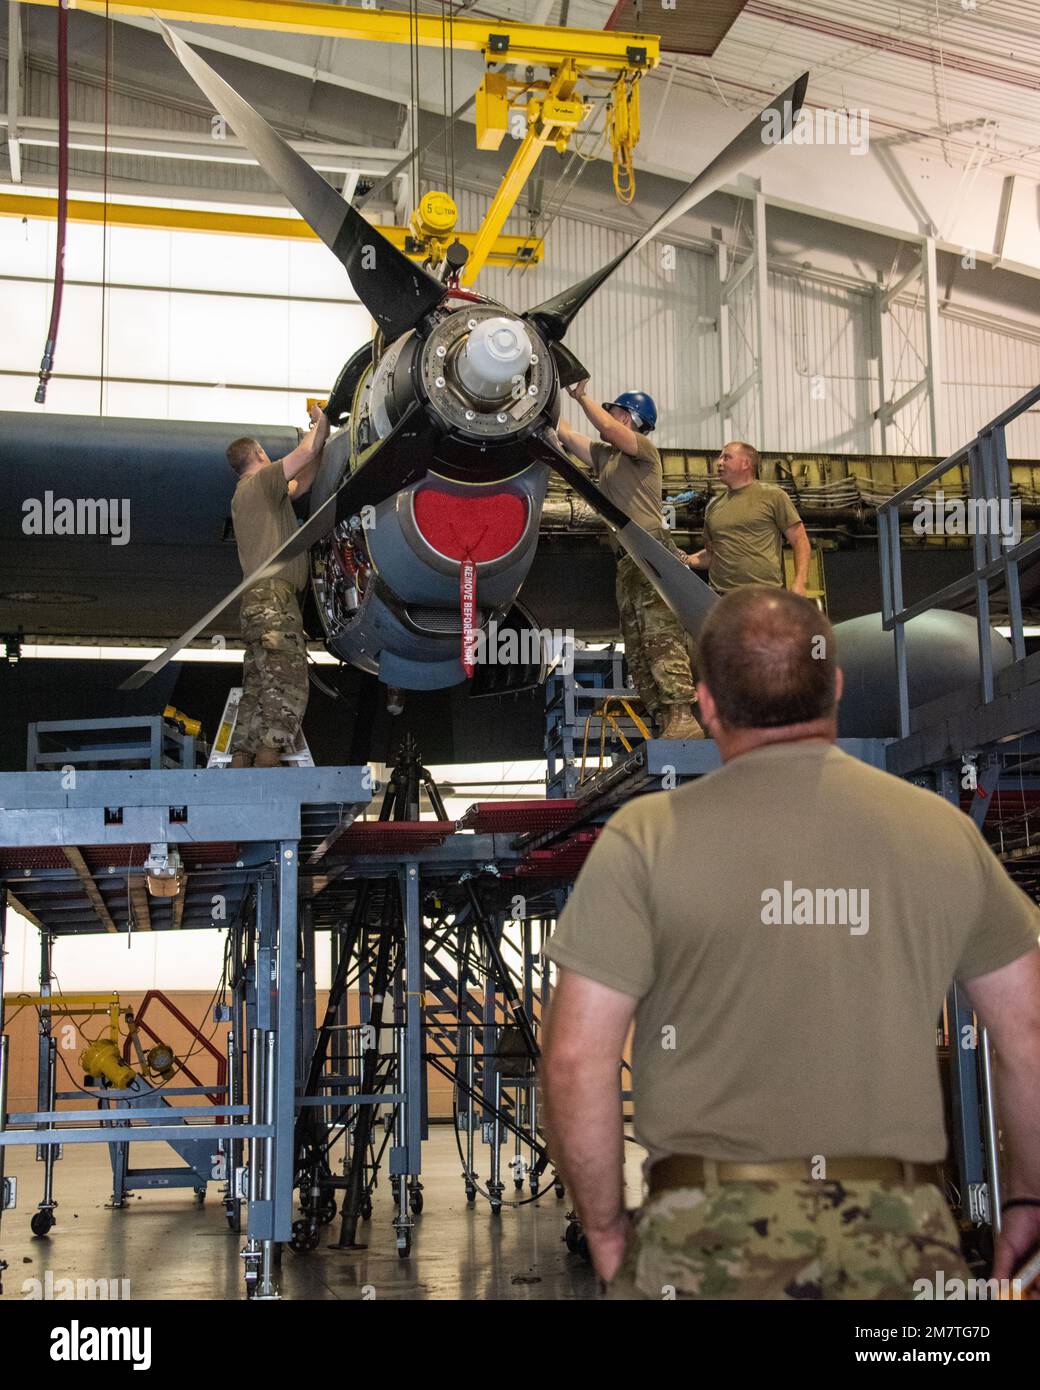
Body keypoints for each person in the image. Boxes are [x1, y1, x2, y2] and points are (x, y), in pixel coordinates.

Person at [541, 586, 1040, 1300]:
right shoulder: (938, 832)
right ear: (836, 687)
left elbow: (573, 1061)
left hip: (701, 1243)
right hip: (900, 1245)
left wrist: (607, 1231)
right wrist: (1026, 1199)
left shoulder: (643, 840)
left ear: (707, 705)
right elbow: (1028, 1034)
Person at [556, 381, 702, 740]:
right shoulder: (608, 457)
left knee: (660, 633)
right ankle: (666, 719)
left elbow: (606, 428)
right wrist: (538, 395)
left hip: (651, 548)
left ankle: (683, 714)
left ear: (632, 418)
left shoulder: (644, 452)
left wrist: (581, 396)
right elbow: (567, 435)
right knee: (637, 644)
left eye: (617, 411)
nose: (611, 416)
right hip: (627, 557)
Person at [224, 404, 329, 768]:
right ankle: (266, 772)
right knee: (286, 689)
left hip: (255, 604)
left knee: (257, 693)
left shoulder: (253, 496)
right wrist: (320, 419)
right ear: (259, 454)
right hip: (273, 600)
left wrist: (320, 442)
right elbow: (307, 453)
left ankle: (242, 769)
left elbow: (304, 480)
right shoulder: (262, 481)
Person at [686, 441, 811, 597]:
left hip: (763, 595)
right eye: (720, 458)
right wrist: (687, 559)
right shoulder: (713, 506)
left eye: (727, 458)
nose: (719, 463)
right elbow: (713, 554)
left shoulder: (773, 496)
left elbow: (800, 541)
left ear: (746, 463)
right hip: (720, 597)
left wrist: (800, 582)